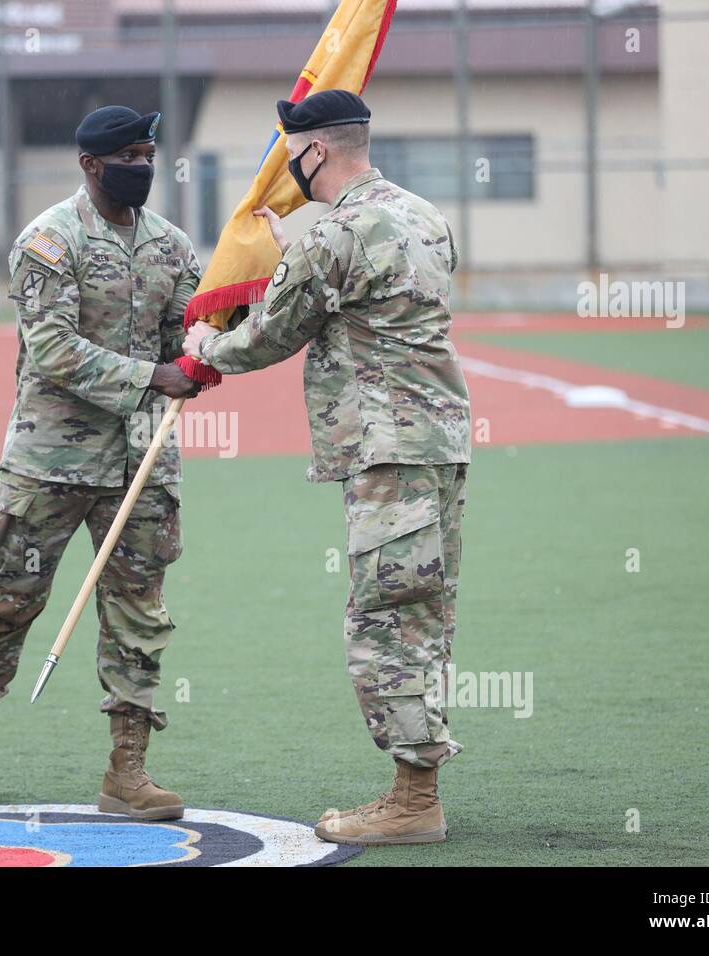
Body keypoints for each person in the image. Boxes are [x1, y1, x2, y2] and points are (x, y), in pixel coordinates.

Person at [184, 90, 471, 845]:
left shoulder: (332, 235)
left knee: (384, 621)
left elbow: (265, 339)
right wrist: (294, 261)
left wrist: (203, 346)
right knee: (425, 615)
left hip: (387, 451)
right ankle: (419, 784)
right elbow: (366, 300)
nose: (290, 169)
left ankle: (414, 802)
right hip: (439, 446)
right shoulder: (423, 215)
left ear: (314, 152)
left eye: (292, 156)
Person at [0, 106, 202, 820]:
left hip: (143, 460)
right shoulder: (50, 241)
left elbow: (187, 337)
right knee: (9, 600)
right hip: (51, 459)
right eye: (127, 155)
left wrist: (215, 339)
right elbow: (52, 351)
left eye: (149, 153)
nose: (142, 166)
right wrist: (153, 377)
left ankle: (128, 770)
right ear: (90, 165)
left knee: (138, 612)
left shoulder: (172, 246)